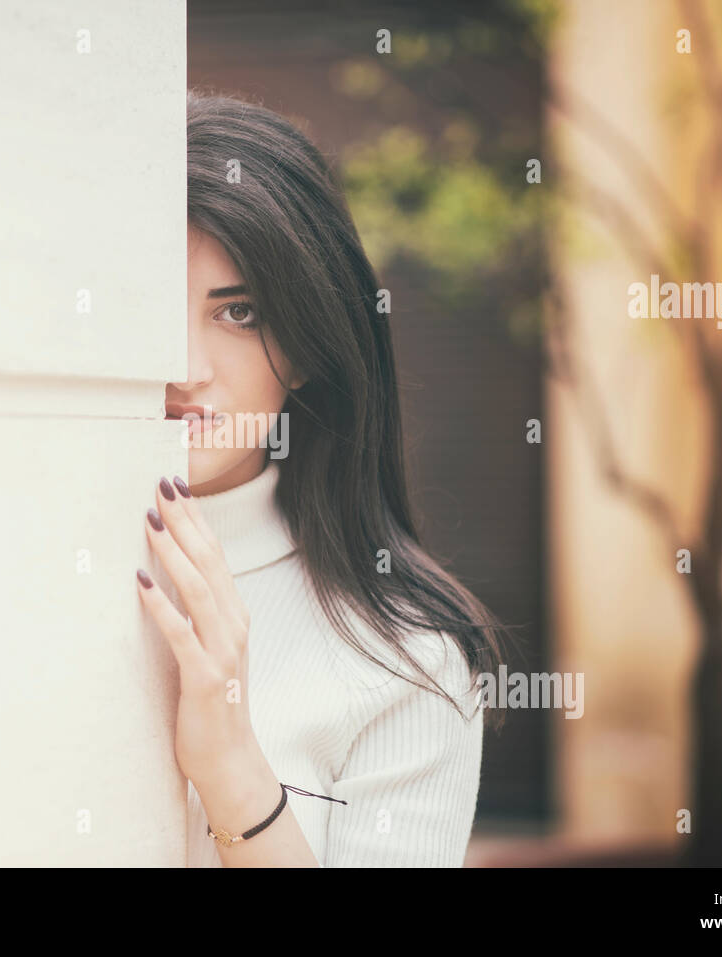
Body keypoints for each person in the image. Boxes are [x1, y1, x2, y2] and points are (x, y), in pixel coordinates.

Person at [134, 90, 508, 867]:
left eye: (240, 314)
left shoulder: (405, 657)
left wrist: (234, 772)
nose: (188, 371)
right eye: (151, 305)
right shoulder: (11, 563)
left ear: (305, 349)